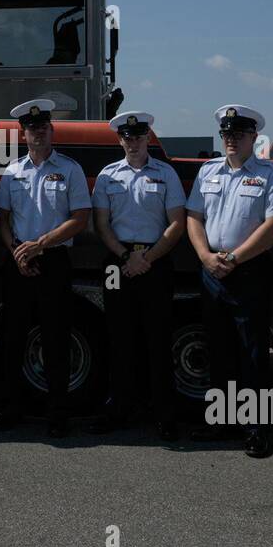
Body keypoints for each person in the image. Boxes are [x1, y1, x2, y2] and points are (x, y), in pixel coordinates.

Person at [186, 105, 273, 458]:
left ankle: (255, 428)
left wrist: (233, 258)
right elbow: (194, 217)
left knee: (252, 352)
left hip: (249, 271)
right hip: (212, 270)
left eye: (239, 134)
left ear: (252, 137)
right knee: (219, 351)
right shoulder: (208, 172)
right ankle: (221, 423)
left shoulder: (269, 174)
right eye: (226, 134)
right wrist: (204, 256)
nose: (231, 140)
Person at [0, 98, 91, 438]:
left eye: (42, 128)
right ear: (23, 135)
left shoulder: (70, 169)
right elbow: (3, 219)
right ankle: (10, 408)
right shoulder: (12, 171)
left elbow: (80, 218)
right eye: (31, 129)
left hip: (53, 261)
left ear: (51, 131)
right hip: (18, 260)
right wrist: (17, 251)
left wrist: (40, 245)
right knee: (12, 338)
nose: (37, 133)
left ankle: (57, 413)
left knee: (55, 338)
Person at [90, 111, 187, 440]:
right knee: (118, 337)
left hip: (155, 262)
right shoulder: (107, 176)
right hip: (117, 264)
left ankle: (164, 413)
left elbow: (177, 223)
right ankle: (118, 408)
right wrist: (124, 256)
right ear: (120, 140)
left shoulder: (166, 174)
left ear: (148, 137)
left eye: (138, 136)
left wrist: (146, 258)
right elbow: (101, 224)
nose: (132, 142)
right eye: (126, 137)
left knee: (157, 339)